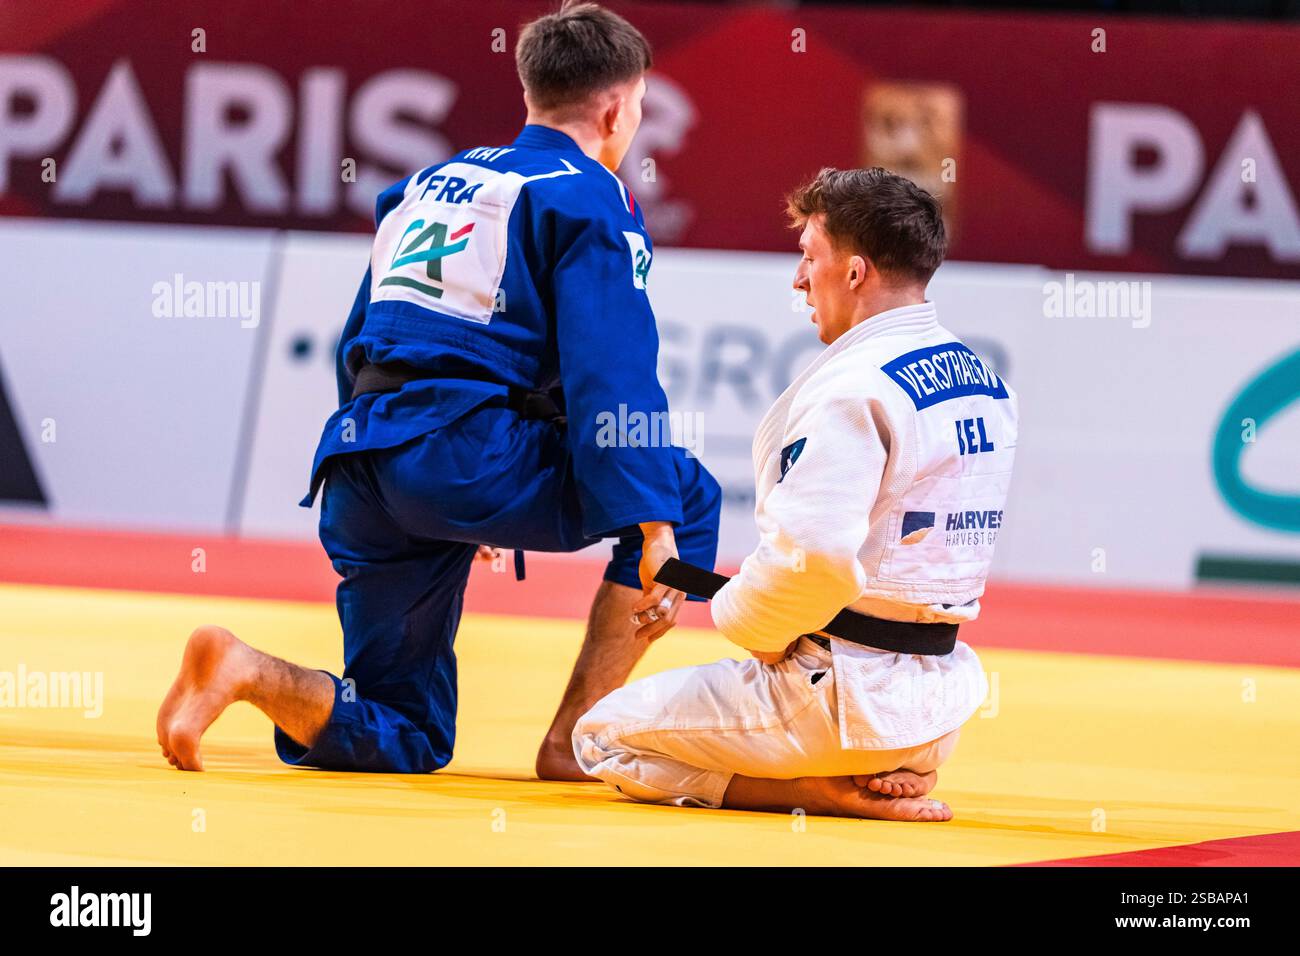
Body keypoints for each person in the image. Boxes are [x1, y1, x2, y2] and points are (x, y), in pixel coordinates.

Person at [156, 2, 720, 779]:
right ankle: (573, 744)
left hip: (362, 460)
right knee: (683, 494)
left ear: (532, 92)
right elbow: (611, 377)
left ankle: (248, 669)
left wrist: (457, 485)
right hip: (463, 456)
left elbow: (359, 342)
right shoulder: (588, 195)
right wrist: (655, 526)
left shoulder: (427, 185)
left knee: (407, 730)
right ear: (620, 107)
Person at [573, 167, 1018, 820]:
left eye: (810, 258)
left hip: (834, 705)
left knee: (601, 736)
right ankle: (889, 762)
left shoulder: (854, 388)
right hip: (935, 710)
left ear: (857, 273)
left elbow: (813, 559)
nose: (799, 279)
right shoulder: (985, 379)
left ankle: (810, 792)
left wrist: (746, 624)